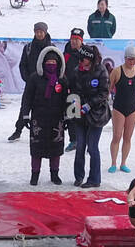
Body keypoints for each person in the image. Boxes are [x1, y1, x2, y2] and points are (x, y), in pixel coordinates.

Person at [66, 43, 109, 188]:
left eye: (82, 60)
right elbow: (73, 89)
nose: (80, 62)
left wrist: (89, 104)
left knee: (92, 147)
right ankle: (78, 176)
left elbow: (104, 93)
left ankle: (94, 179)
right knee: (80, 147)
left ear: (89, 59)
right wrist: (74, 101)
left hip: (97, 114)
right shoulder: (77, 70)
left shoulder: (101, 70)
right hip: (80, 113)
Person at [27, 45, 68, 186]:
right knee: (36, 149)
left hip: (56, 119)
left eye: (54, 63)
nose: (51, 65)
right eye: (48, 63)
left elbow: (66, 101)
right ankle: (35, 175)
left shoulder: (62, 80)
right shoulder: (34, 78)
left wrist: (67, 117)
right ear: (42, 63)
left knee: (55, 149)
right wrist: (25, 116)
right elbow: (27, 98)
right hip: (39, 118)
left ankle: (54, 174)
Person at [108, 44, 135, 174]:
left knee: (127, 137)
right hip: (119, 107)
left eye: (134, 59)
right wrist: (104, 102)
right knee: (117, 136)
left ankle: (123, 163)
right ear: (125, 58)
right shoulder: (117, 71)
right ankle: (113, 163)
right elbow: (108, 88)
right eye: (129, 59)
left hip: (132, 107)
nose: (132, 62)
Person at [9, 21, 51, 141]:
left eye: (41, 32)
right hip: (31, 84)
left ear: (45, 32)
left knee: (45, 109)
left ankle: (45, 132)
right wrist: (28, 79)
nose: (39, 34)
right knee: (25, 108)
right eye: (37, 31)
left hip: (46, 85)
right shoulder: (28, 48)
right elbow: (23, 65)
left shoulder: (51, 47)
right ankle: (18, 130)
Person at [63, 28, 87, 153]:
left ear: (81, 41)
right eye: (72, 39)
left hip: (84, 90)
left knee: (84, 117)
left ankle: (87, 142)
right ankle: (74, 140)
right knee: (71, 116)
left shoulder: (86, 54)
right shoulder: (66, 53)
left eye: (76, 40)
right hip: (70, 89)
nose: (74, 42)